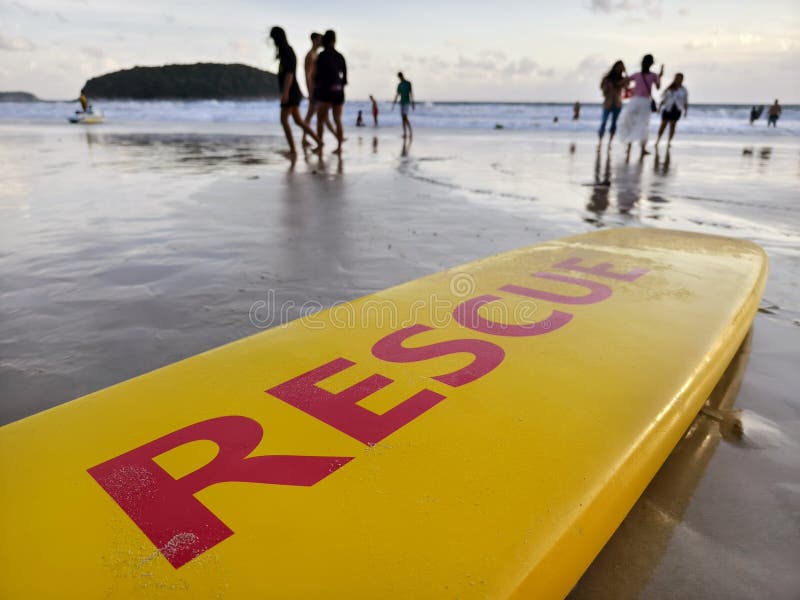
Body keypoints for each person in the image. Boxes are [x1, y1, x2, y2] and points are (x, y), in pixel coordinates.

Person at [269, 26, 321, 158]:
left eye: (273, 38)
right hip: (293, 91)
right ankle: (319, 142)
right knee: (298, 121)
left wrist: (285, 92)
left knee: (284, 120)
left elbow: (290, 74)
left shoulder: (287, 51)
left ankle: (293, 150)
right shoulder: (285, 51)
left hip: (291, 91)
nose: (272, 41)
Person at [617, 54, 663, 158]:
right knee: (643, 125)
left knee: (629, 123)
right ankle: (642, 149)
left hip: (634, 101)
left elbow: (624, 82)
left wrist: (624, 72)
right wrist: (660, 76)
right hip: (645, 102)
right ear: (651, 64)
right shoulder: (653, 76)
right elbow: (658, 87)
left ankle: (628, 148)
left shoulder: (637, 74)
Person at [314, 29, 347, 154]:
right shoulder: (340, 56)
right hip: (338, 90)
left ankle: (320, 145)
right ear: (335, 40)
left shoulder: (322, 56)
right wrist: (339, 86)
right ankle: (339, 147)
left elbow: (318, 77)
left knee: (320, 119)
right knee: (337, 119)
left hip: (326, 91)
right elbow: (345, 78)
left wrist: (316, 91)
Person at [598, 60, 628, 143]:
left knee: (614, 124)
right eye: (618, 67)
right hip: (608, 103)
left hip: (617, 103)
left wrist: (626, 73)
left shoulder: (623, 79)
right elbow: (602, 87)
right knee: (603, 122)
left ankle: (609, 143)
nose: (619, 69)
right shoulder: (607, 78)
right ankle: (600, 142)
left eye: (621, 68)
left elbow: (627, 87)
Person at [655, 73, 688, 147]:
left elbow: (685, 101)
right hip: (667, 108)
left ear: (682, 79)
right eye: (677, 78)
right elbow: (663, 99)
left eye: (680, 78)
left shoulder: (683, 90)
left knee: (672, 126)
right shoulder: (669, 88)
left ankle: (669, 142)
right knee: (663, 125)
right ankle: (658, 140)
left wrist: (686, 111)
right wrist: (659, 108)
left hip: (677, 109)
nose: (679, 80)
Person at [392, 72, 415, 138]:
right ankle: (405, 133)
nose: (399, 78)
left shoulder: (408, 83)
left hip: (407, 102)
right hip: (401, 103)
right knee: (403, 118)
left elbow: (411, 94)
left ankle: (410, 132)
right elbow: (397, 94)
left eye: (400, 77)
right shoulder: (399, 85)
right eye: (399, 77)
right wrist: (394, 103)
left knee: (405, 117)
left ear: (402, 76)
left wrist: (413, 103)